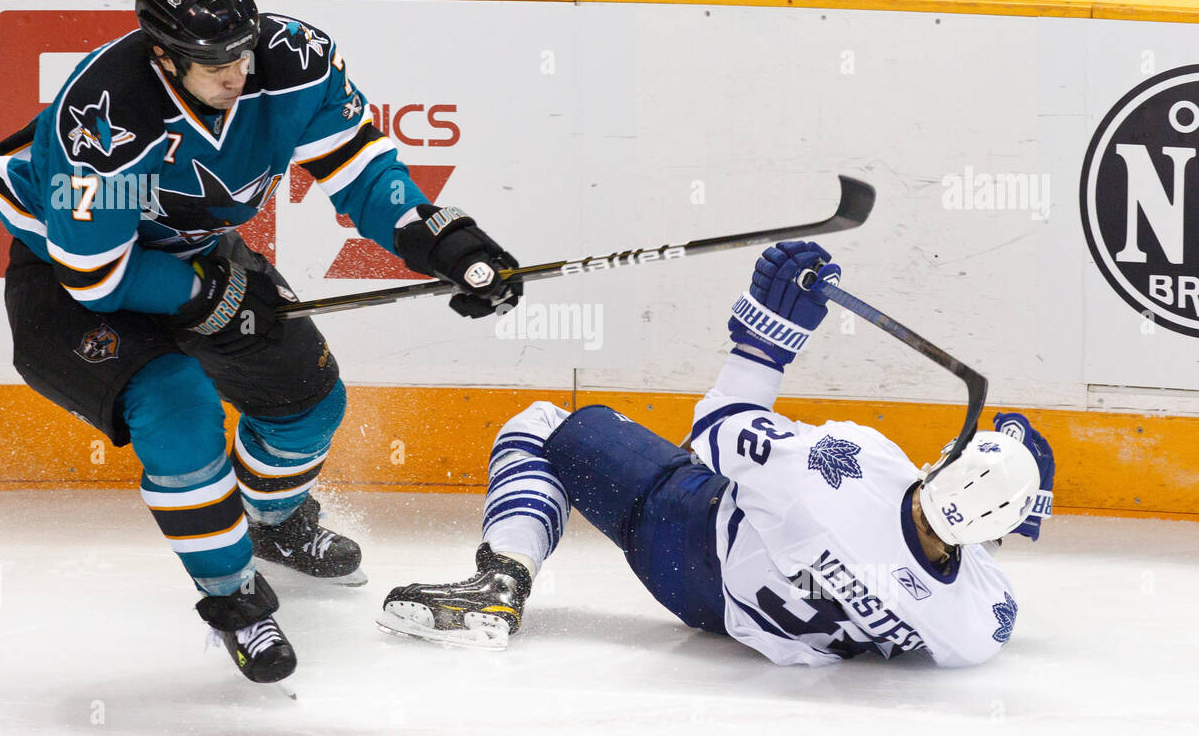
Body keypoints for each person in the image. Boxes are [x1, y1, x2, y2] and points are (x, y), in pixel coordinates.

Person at [0, 0, 522, 684]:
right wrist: (211, 297)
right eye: (213, 63)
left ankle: (274, 525)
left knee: (308, 403)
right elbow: (98, 274)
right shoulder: (106, 118)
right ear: (164, 59)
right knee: (178, 407)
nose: (237, 73)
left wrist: (436, 237)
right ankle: (232, 594)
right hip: (64, 279)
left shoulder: (292, 58)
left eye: (241, 50)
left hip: (196, 251)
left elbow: (361, 168)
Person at [378, 241, 1055, 667]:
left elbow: (719, 429)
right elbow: (962, 553)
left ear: (942, 462)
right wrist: (1018, 486)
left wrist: (768, 339)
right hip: (730, 621)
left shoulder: (850, 467)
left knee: (542, 426)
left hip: (684, 534)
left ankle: (500, 585)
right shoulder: (975, 624)